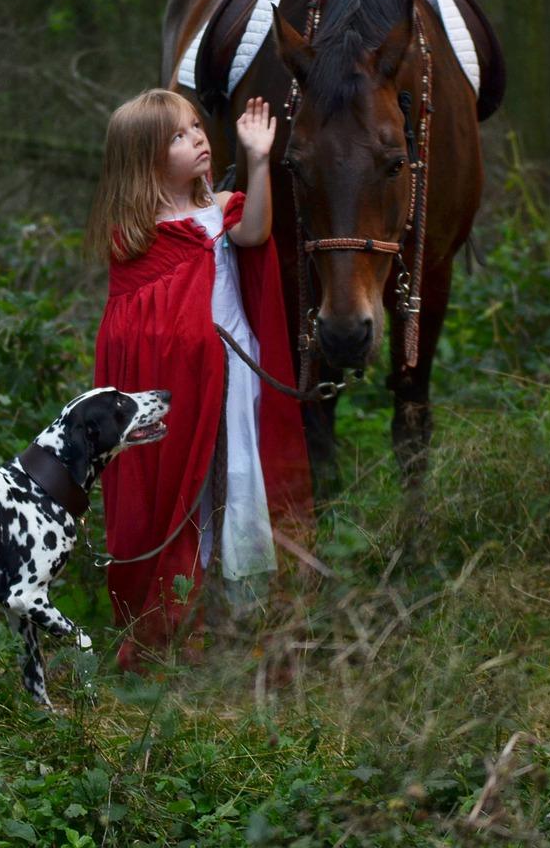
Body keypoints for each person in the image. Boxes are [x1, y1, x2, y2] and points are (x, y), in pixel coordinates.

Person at [87, 88, 313, 668]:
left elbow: (256, 232)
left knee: (238, 480)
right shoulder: (135, 239)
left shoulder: (223, 210)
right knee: (180, 493)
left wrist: (259, 159)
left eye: (197, 128)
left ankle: (244, 616)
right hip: (179, 393)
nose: (199, 139)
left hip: (236, 377)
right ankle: (177, 617)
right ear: (146, 160)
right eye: (180, 136)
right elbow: (131, 334)